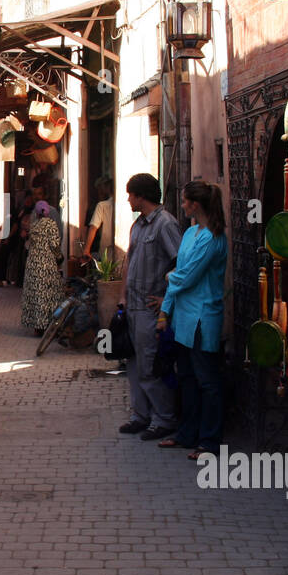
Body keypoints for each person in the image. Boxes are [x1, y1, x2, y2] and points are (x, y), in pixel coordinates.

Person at [157, 181, 229, 458]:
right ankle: (187, 434)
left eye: (185, 201)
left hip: (202, 316)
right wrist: (166, 311)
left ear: (195, 205)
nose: (183, 205)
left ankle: (209, 441)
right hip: (183, 317)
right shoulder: (189, 233)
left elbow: (185, 277)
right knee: (186, 377)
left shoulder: (212, 238)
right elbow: (180, 275)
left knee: (207, 381)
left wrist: (169, 280)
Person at [119, 173, 183, 441]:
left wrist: (166, 298)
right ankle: (140, 416)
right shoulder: (138, 226)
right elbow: (130, 263)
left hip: (150, 309)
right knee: (134, 365)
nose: (128, 199)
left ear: (141, 196)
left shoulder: (165, 224)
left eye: (130, 194)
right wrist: (121, 298)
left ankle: (164, 419)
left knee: (150, 366)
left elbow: (181, 264)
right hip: (133, 307)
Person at [20, 201, 65, 335]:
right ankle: (48, 324)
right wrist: (59, 257)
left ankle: (37, 327)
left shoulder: (33, 225)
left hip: (33, 265)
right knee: (49, 294)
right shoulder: (51, 225)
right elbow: (55, 245)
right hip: (47, 265)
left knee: (36, 294)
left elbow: (29, 244)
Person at [83, 176, 115, 264]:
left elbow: (93, 227)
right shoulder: (98, 205)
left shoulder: (102, 205)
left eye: (103, 187)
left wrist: (86, 249)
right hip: (100, 247)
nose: (101, 190)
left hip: (105, 251)